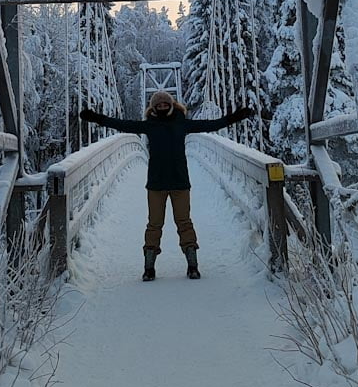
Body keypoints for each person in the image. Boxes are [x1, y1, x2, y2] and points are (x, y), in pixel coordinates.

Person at [79, 92, 252, 280]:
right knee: (154, 224)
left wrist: (236, 117)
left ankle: (192, 266)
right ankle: (149, 268)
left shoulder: (182, 123)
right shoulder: (149, 126)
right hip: (156, 184)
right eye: (158, 105)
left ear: (171, 105)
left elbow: (212, 125)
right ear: (153, 107)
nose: (162, 107)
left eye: (165, 104)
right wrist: (96, 118)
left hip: (179, 183)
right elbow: (121, 124)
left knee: (184, 222)